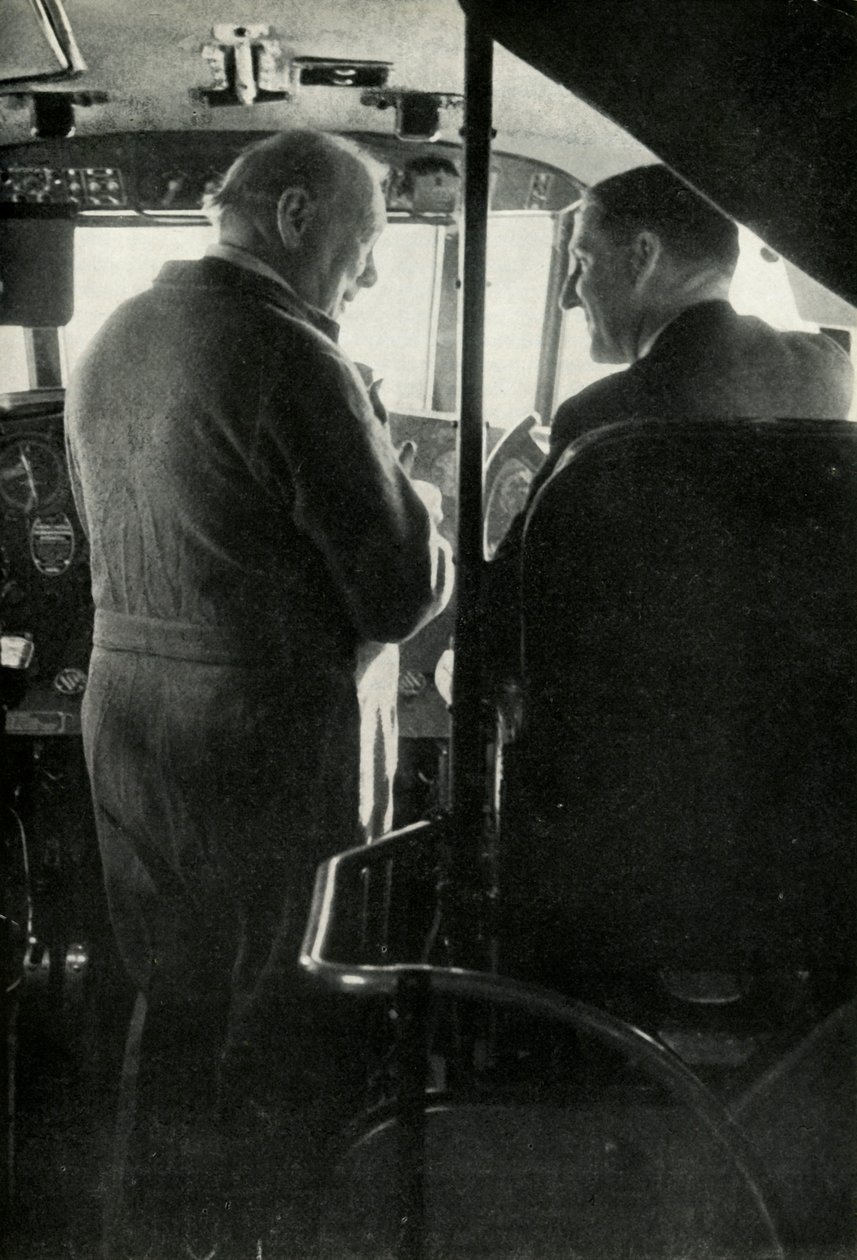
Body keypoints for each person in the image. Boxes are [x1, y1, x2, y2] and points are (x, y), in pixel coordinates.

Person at [64, 129, 452, 1259]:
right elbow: (391, 594)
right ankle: (263, 1237)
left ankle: (146, 1234)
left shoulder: (114, 335)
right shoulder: (294, 354)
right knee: (276, 1011)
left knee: (167, 996)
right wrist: (413, 481)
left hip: (127, 711)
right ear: (293, 219)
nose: (369, 273)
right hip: (257, 730)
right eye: (365, 242)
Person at [488, 162, 853, 682]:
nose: (570, 294)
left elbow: (509, 615)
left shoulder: (600, 418)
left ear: (642, 256)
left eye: (582, 261)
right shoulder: (828, 373)